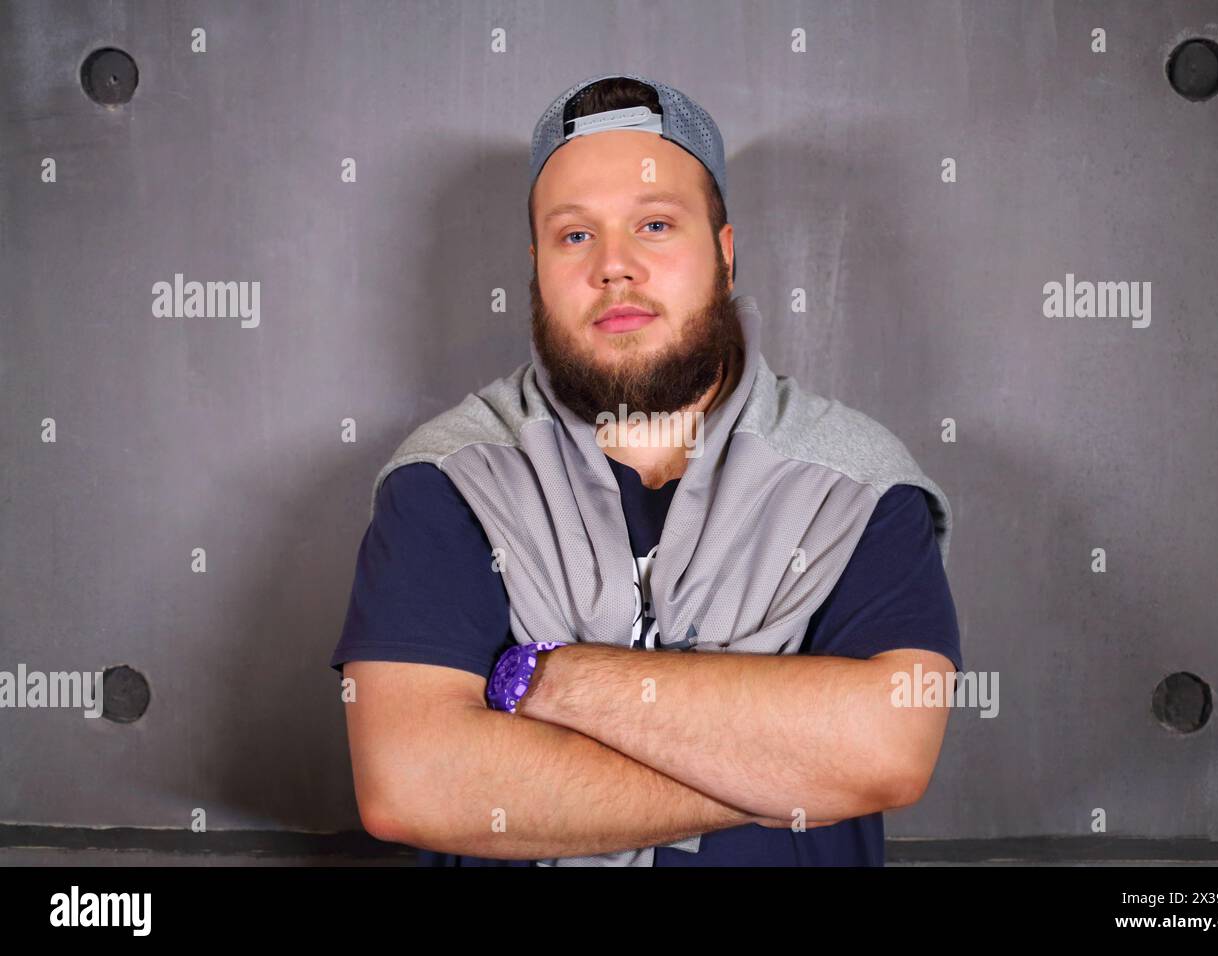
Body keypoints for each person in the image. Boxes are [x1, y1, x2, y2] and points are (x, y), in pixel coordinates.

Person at [331, 73, 963, 866]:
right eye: (574, 235)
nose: (614, 267)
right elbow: (411, 783)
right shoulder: (448, 480)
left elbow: (889, 751)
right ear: (536, 269)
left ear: (724, 255)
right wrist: (786, 771)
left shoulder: (857, 485)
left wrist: (550, 682)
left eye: (656, 224)